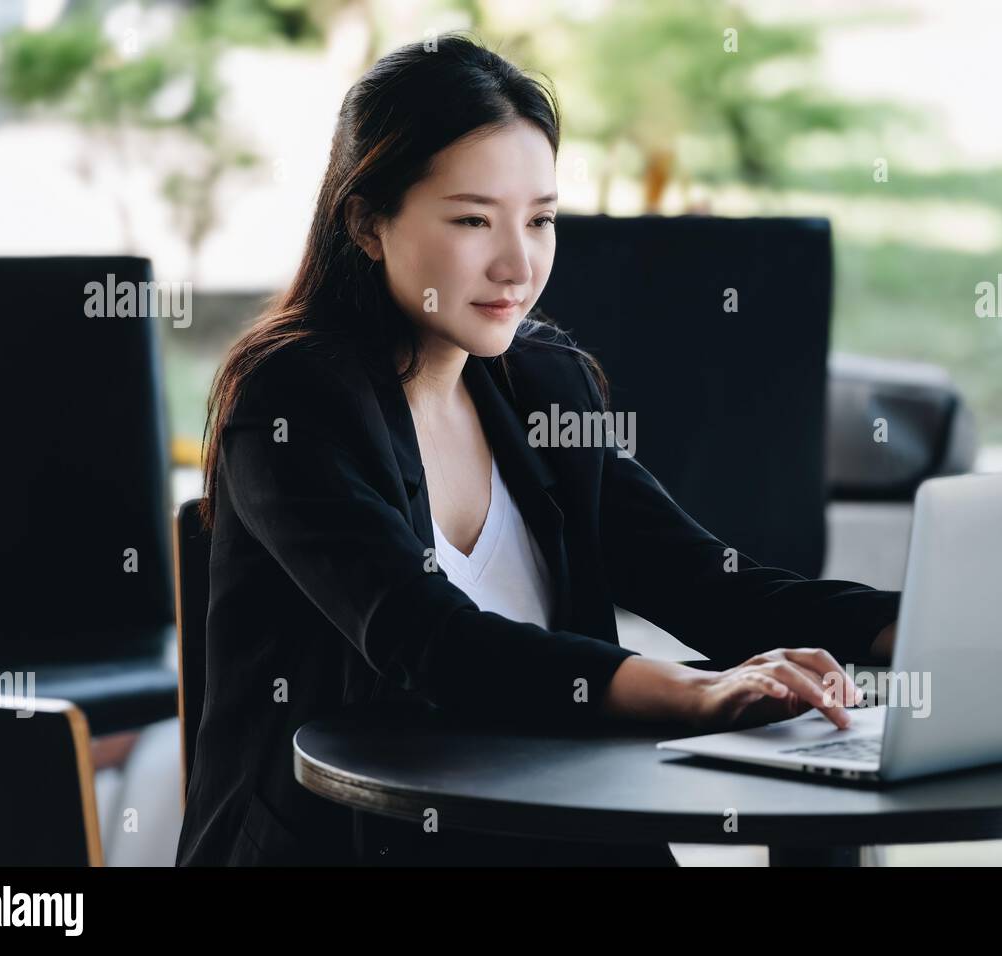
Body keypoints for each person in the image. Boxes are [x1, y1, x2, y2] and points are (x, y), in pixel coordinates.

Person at [176, 33, 899, 868]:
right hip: (355, 848)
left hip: (543, 828)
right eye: (474, 220)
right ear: (368, 223)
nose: (519, 264)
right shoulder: (289, 403)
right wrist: (693, 690)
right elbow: (432, 643)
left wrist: (911, 627)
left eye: (542, 219)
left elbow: (703, 582)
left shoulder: (547, 383)